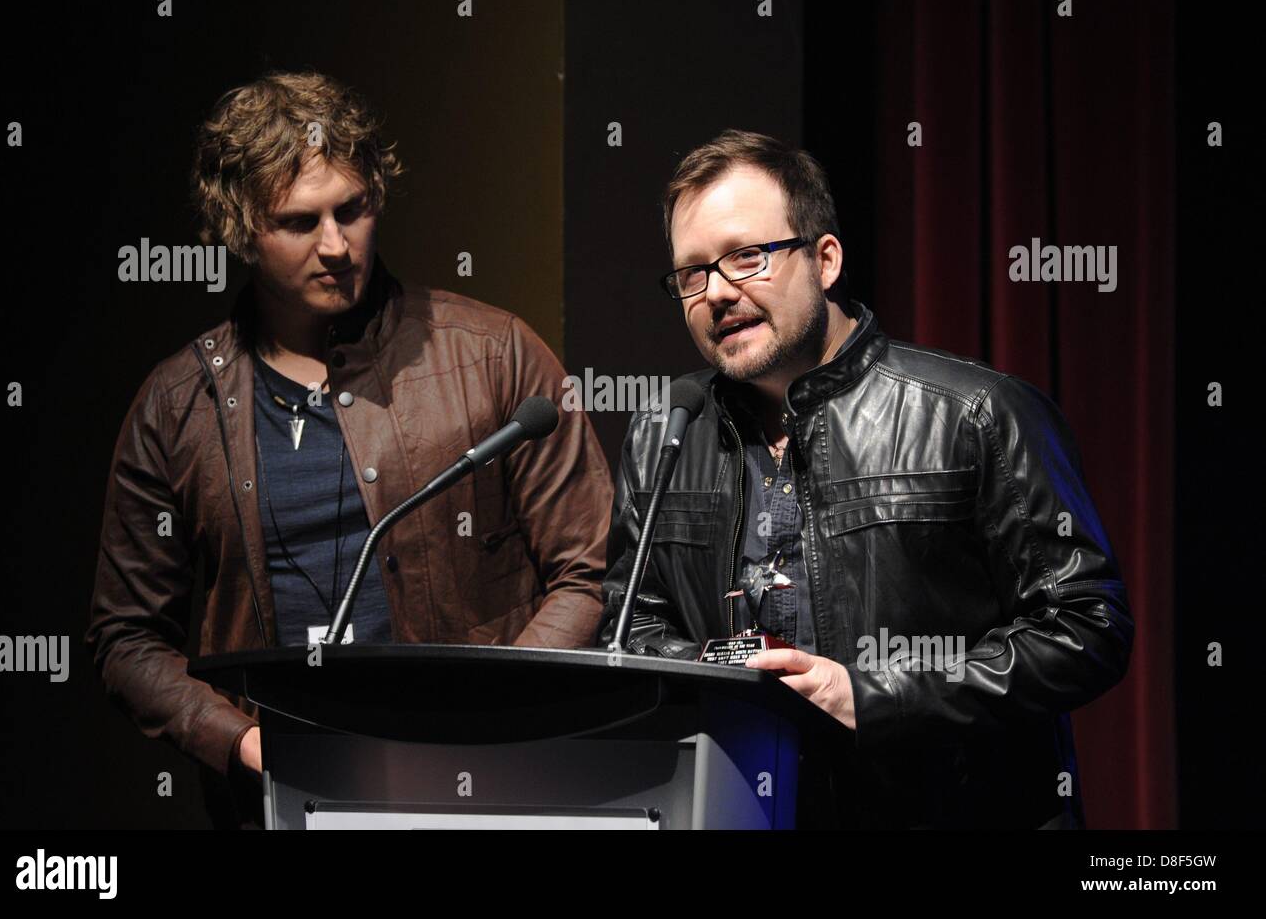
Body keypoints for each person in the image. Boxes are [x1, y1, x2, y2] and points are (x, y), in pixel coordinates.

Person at [87, 71, 613, 826]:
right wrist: (245, 744)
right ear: (240, 230)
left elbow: (590, 570)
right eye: (299, 222)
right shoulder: (176, 407)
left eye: (352, 210)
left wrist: (491, 721)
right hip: (281, 798)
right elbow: (126, 638)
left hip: (484, 791)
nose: (335, 246)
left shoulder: (493, 353)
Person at [599, 129, 1133, 828]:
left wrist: (875, 695)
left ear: (825, 260)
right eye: (691, 274)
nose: (718, 293)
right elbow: (630, 625)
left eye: (746, 257)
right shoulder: (666, 430)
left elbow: (1086, 628)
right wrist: (719, 679)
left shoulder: (976, 413)